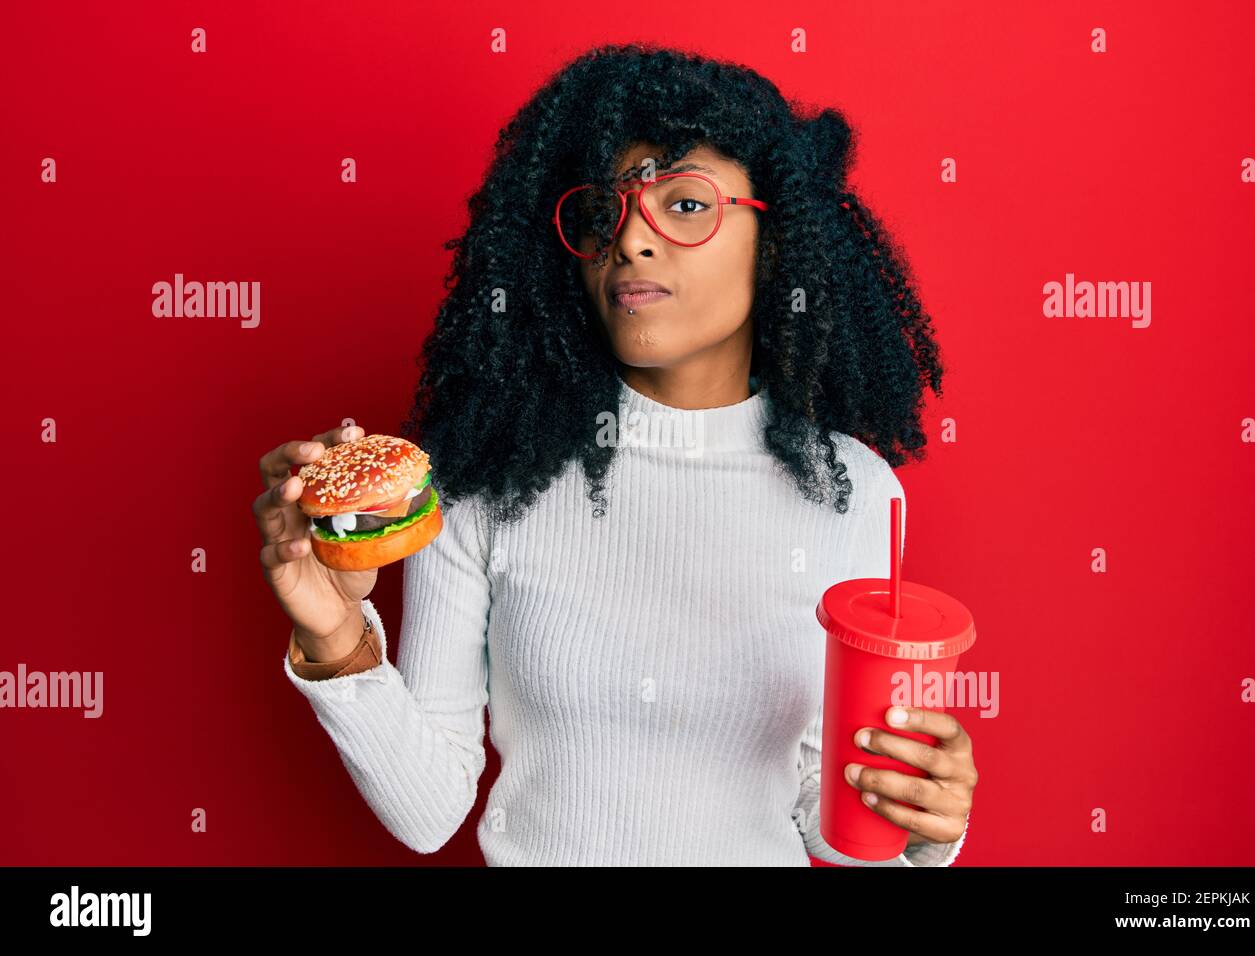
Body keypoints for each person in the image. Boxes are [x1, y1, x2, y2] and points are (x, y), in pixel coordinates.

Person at [252, 43, 977, 865]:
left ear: (775, 242)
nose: (632, 241)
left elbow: (821, 811)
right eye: (606, 212)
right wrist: (334, 633)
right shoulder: (488, 478)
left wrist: (921, 825)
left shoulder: (854, 494)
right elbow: (429, 812)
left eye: (687, 204)